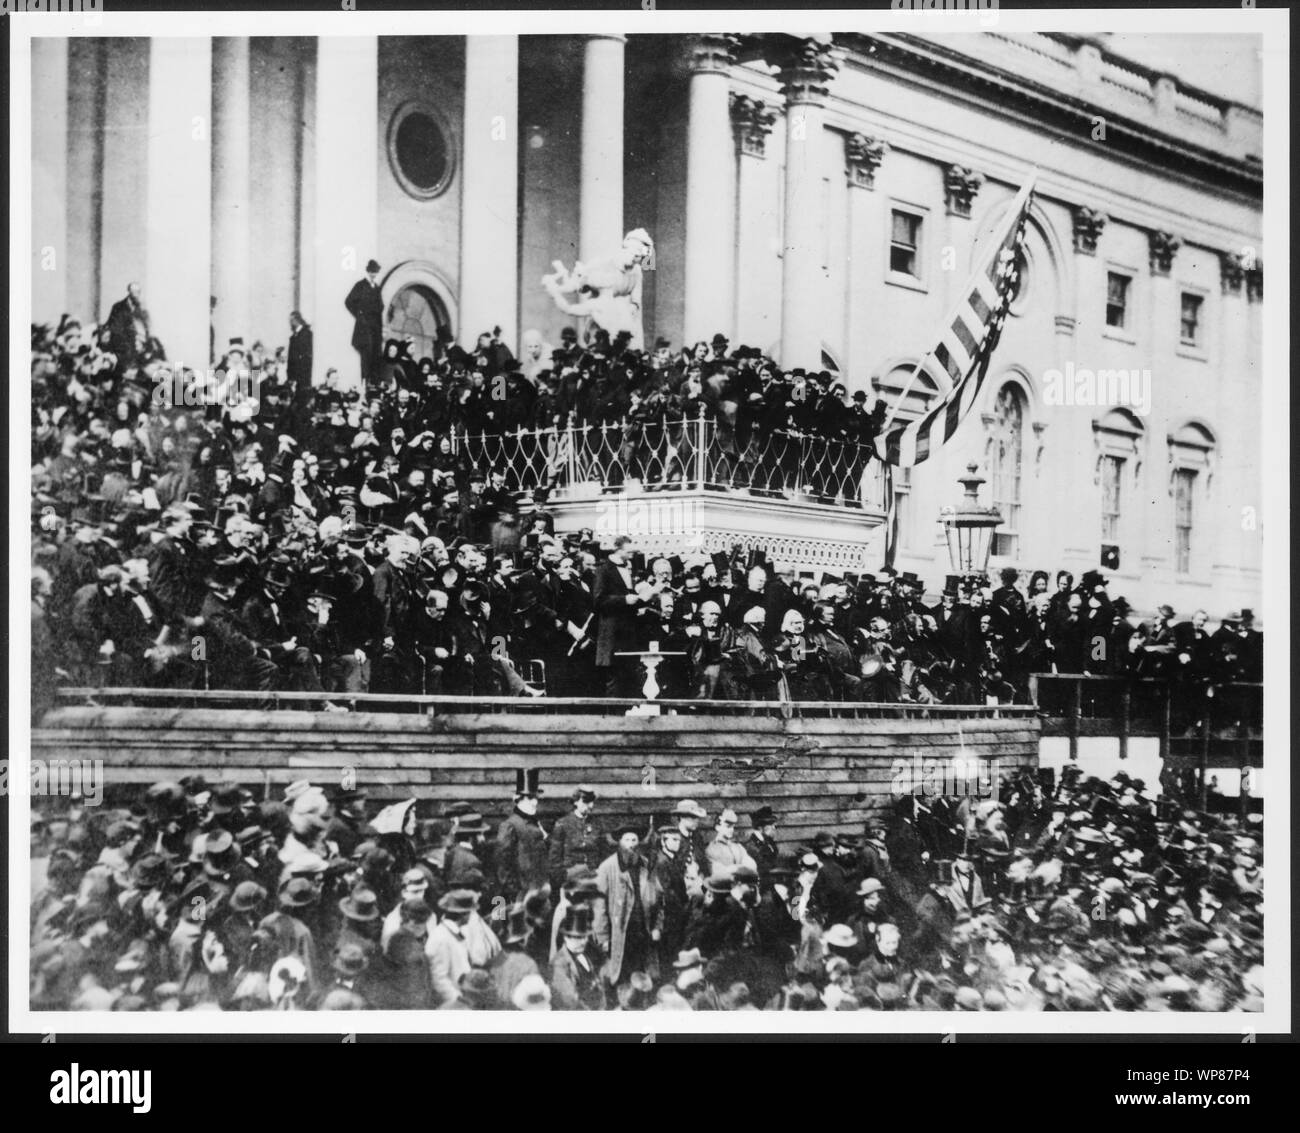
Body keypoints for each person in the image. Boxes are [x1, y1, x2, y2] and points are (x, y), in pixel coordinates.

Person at [593, 824, 663, 989]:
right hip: (620, 933)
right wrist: (603, 937)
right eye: (627, 840)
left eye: (634, 840)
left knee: (643, 974)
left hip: (642, 931)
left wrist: (657, 927)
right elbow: (599, 906)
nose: (631, 844)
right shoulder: (607, 868)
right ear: (619, 842)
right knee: (620, 976)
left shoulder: (646, 865)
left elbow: (659, 900)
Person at [495, 769, 548, 900]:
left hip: (539, 892)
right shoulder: (509, 826)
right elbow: (502, 865)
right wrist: (514, 893)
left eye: (536, 797)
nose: (534, 802)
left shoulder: (536, 823)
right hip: (520, 895)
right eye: (530, 797)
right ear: (518, 799)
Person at [547, 785, 601, 891]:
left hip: (593, 876)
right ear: (575, 802)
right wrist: (562, 879)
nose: (590, 805)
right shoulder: (563, 824)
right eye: (586, 802)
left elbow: (602, 851)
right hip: (570, 877)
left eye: (592, 802)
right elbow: (554, 857)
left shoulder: (596, 825)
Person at [344, 259, 384, 389]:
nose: (373, 274)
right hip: (364, 327)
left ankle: (374, 383)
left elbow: (380, 306)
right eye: (372, 272)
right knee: (366, 354)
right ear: (368, 271)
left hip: (375, 327)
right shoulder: (360, 285)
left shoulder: (377, 288)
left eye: (375, 272)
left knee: (376, 354)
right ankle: (365, 383)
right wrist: (359, 315)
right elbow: (349, 301)